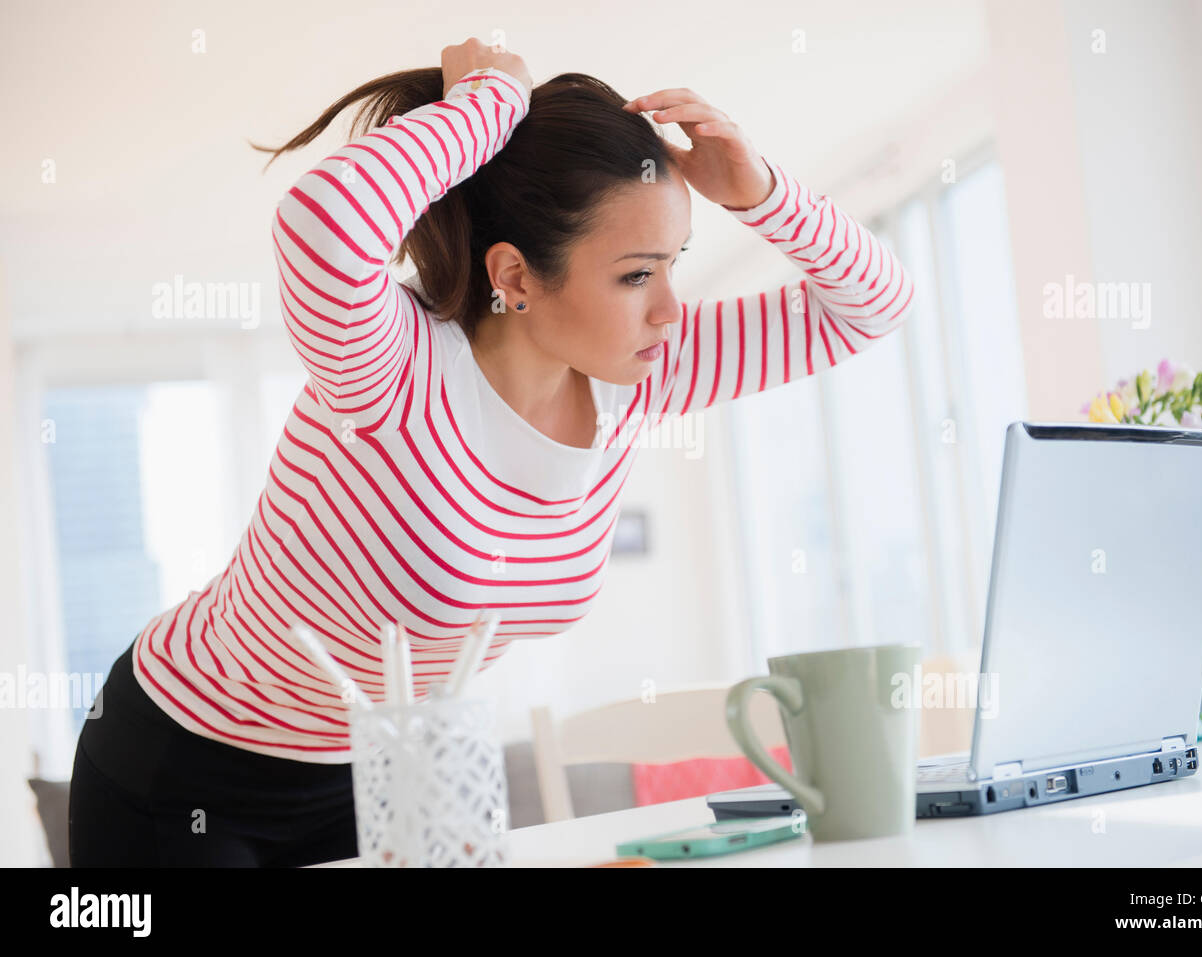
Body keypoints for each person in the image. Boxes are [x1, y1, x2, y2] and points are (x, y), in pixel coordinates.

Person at [68, 37, 915, 866]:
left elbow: (873, 304)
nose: (670, 309)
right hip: (184, 760)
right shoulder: (389, 364)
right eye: (634, 275)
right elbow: (321, 223)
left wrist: (762, 193)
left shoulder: (638, 379)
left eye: (673, 264)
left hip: (380, 775)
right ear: (512, 276)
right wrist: (490, 101)